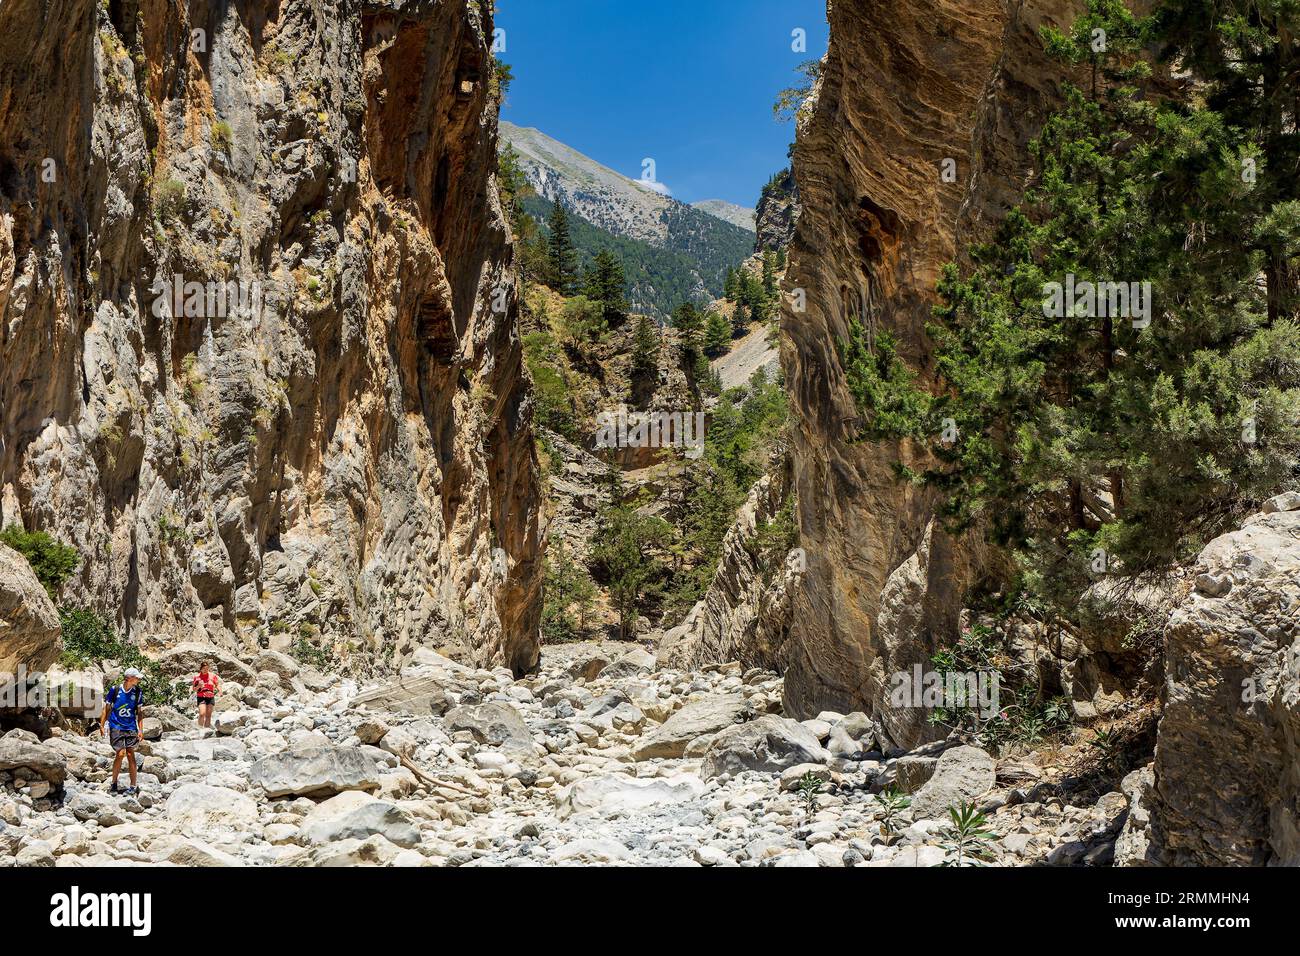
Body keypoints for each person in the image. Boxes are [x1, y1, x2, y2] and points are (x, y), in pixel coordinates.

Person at [101, 668, 145, 795]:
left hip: (131, 727)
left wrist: (141, 730)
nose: (138, 679)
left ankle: (132, 786)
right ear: (129, 678)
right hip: (116, 726)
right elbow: (107, 708)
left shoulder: (138, 692)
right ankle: (114, 782)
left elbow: (140, 713)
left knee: (131, 754)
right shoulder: (114, 690)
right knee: (120, 754)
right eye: (136, 678)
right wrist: (102, 725)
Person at [191, 661, 219, 729]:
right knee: (202, 713)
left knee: (208, 715)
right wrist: (199, 686)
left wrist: (219, 691)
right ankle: (199, 729)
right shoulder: (197, 677)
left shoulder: (212, 676)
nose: (205, 670)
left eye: (207, 668)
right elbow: (194, 689)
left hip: (210, 697)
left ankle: (206, 731)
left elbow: (217, 685)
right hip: (201, 697)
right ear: (201, 669)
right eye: (204, 668)